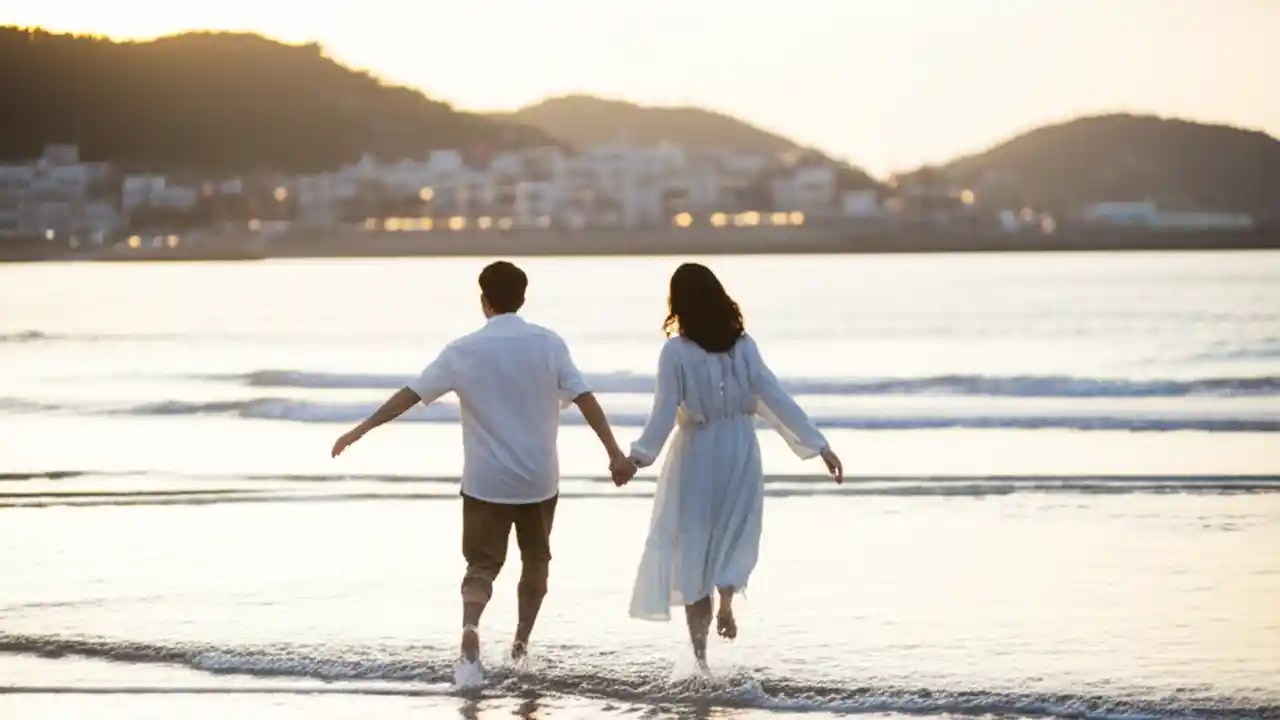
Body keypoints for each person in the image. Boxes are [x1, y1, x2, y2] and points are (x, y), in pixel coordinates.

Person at [331, 261, 631, 672]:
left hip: (485, 481)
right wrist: (614, 453)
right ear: (523, 299)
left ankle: (471, 626)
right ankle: (521, 646)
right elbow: (585, 397)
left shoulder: (463, 350)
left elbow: (411, 395)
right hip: (538, 479)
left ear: (484, 301)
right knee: (536, 561)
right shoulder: (549, 344)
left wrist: (360, 429)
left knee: (481, 566)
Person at [613, 262, 843, 668]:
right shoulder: (744, 346)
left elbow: (663, 414)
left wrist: (637, 459)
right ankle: (726, 599)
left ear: (678, 302)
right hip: (739, 448)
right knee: (736, 529)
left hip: (697, 454)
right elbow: (775, 396)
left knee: (695, 545)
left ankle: (700, 658)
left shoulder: (675, 353)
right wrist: (818, 445)